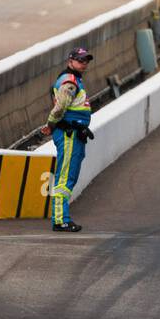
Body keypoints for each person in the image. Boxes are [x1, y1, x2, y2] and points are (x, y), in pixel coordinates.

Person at [41, 47, 94, 232]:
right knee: (64, 178)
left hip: (75, 134)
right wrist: (51, 124)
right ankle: (60, 220)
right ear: (70, 61)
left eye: (86, 60)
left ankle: (62, 218)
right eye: (80, 60)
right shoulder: (69, 82)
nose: (84, 63)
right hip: (68, 134)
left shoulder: (75, 80)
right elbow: (60, 108)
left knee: (69, 176)